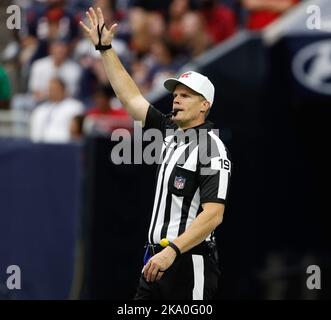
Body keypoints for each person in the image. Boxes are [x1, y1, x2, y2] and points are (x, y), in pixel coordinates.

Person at [80, 7, 231, 300]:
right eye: (175, 94)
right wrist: (106, 48)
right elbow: (131, 97)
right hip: (156, 260)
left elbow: (213, 215)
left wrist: (172, 251)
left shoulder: (211, 148)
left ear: (204, 106)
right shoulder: (172, 132)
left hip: (188, 261)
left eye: (186, 95)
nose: (176, 99)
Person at [30, 77, 84, 143]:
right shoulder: (40, 110)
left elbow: (76, 131)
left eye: (55, 89)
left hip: (64, 145)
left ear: (63, 90)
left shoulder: (74, 106)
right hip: (41, 146)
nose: (52, 92)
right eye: (50, 89)